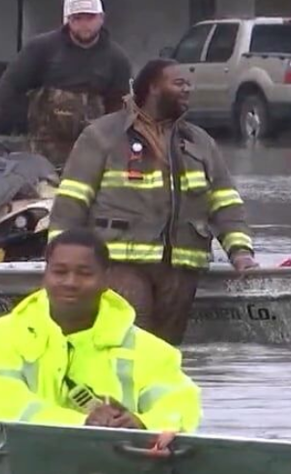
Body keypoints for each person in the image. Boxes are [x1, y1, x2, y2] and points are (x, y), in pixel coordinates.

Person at [48, 58, 259, 345]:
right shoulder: (102, 136)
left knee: (167, 350)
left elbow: (225, 203)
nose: (187, 89)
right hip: (120, 262)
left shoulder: (200, 142)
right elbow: (72, 200)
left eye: (188, 84)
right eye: (179, 83)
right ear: (152, 88)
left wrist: (241, 253)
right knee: (133, 337)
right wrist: (59, 262)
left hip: (182, 265)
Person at [0, 228, 202, 433]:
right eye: (60, 272)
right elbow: (3, 405)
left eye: (84, 273)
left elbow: (181, 405)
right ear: (45, 275)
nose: (71, 282)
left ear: (105, 279)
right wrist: (82, 423)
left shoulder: (151, 351)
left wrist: (142, 423)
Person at [0, 0, 133, 168]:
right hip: (42, 146)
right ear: (68, 20)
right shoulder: (41, 48)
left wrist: (122, 138)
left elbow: (121, 104)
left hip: (91, 145)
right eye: (77, 18)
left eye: (90, 18)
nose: (84, 24)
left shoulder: (116, 58)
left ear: (101, 18)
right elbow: (10, 84)